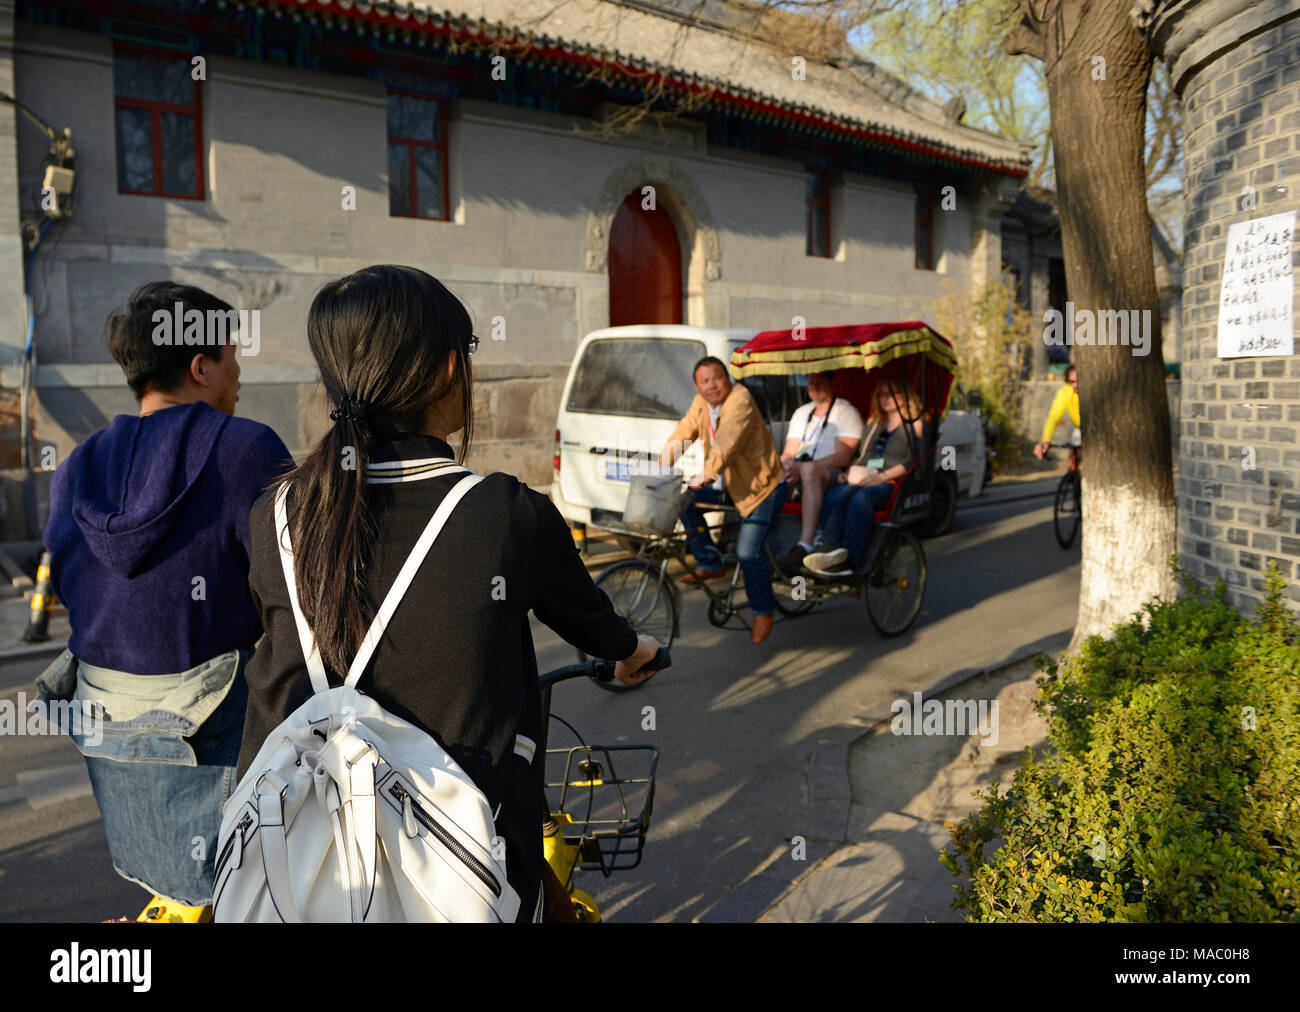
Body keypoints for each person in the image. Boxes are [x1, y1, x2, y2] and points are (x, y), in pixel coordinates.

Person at [236, 265, 662, 923]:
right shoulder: (503, 514)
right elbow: (597, 626)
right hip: (467, 866)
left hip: (288, 869)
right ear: (445, 372)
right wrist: (637, 652)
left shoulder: (274, 515)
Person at [37, 281, 292, 912]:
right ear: (200, 367)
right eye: (233, 357)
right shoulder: (246, 449)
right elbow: (298, 591)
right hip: (220, 762)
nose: (240, 375)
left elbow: (79, 588)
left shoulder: (76, 465)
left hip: (119, 771)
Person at [657, 356, 786, 644]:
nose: (711, 385)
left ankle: (763, 610)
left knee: (747, 552)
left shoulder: (740, 399)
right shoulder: (700, 403)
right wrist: (659, 470)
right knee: (684, 501)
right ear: (697, 386)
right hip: (729, 483)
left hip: (760, 487)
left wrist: (707, 472)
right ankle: (709, 560)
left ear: (726, 378)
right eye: (704, 381)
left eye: (717, 378)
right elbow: (682, 433)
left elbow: (728, 440)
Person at [803, 383, 927, 576]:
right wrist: (849, 471)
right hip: (863, 476)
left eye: (891, 393)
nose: (885, 398)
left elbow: (914, 461)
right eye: (881, 395)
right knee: (836, 495)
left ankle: (852, 560)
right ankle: (831, 548)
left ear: (905, 396)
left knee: (860, 500)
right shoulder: (876, 424)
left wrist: (882, 476)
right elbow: (862, 455)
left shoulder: (915, 424)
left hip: (891, 481)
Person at [772, 370, 862, 575]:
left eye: (819, 383)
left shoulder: (845, 412)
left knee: (810, 470)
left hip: (831, 473)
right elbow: (789, 452)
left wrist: (802, 468)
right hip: (801, 470)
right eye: (810, 383)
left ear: (832, 383)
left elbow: (844, 456)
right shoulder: (802, 412)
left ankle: (806, 543)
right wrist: (786, 467)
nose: (814, 387)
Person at [1033, 365, 1079, 460]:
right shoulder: (1066, 392)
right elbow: (1053, 417)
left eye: (1078, 381)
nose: (1075, 385)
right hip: (1078, 428)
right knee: (1074, 458)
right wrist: (1046, 441)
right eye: (1072, 382)